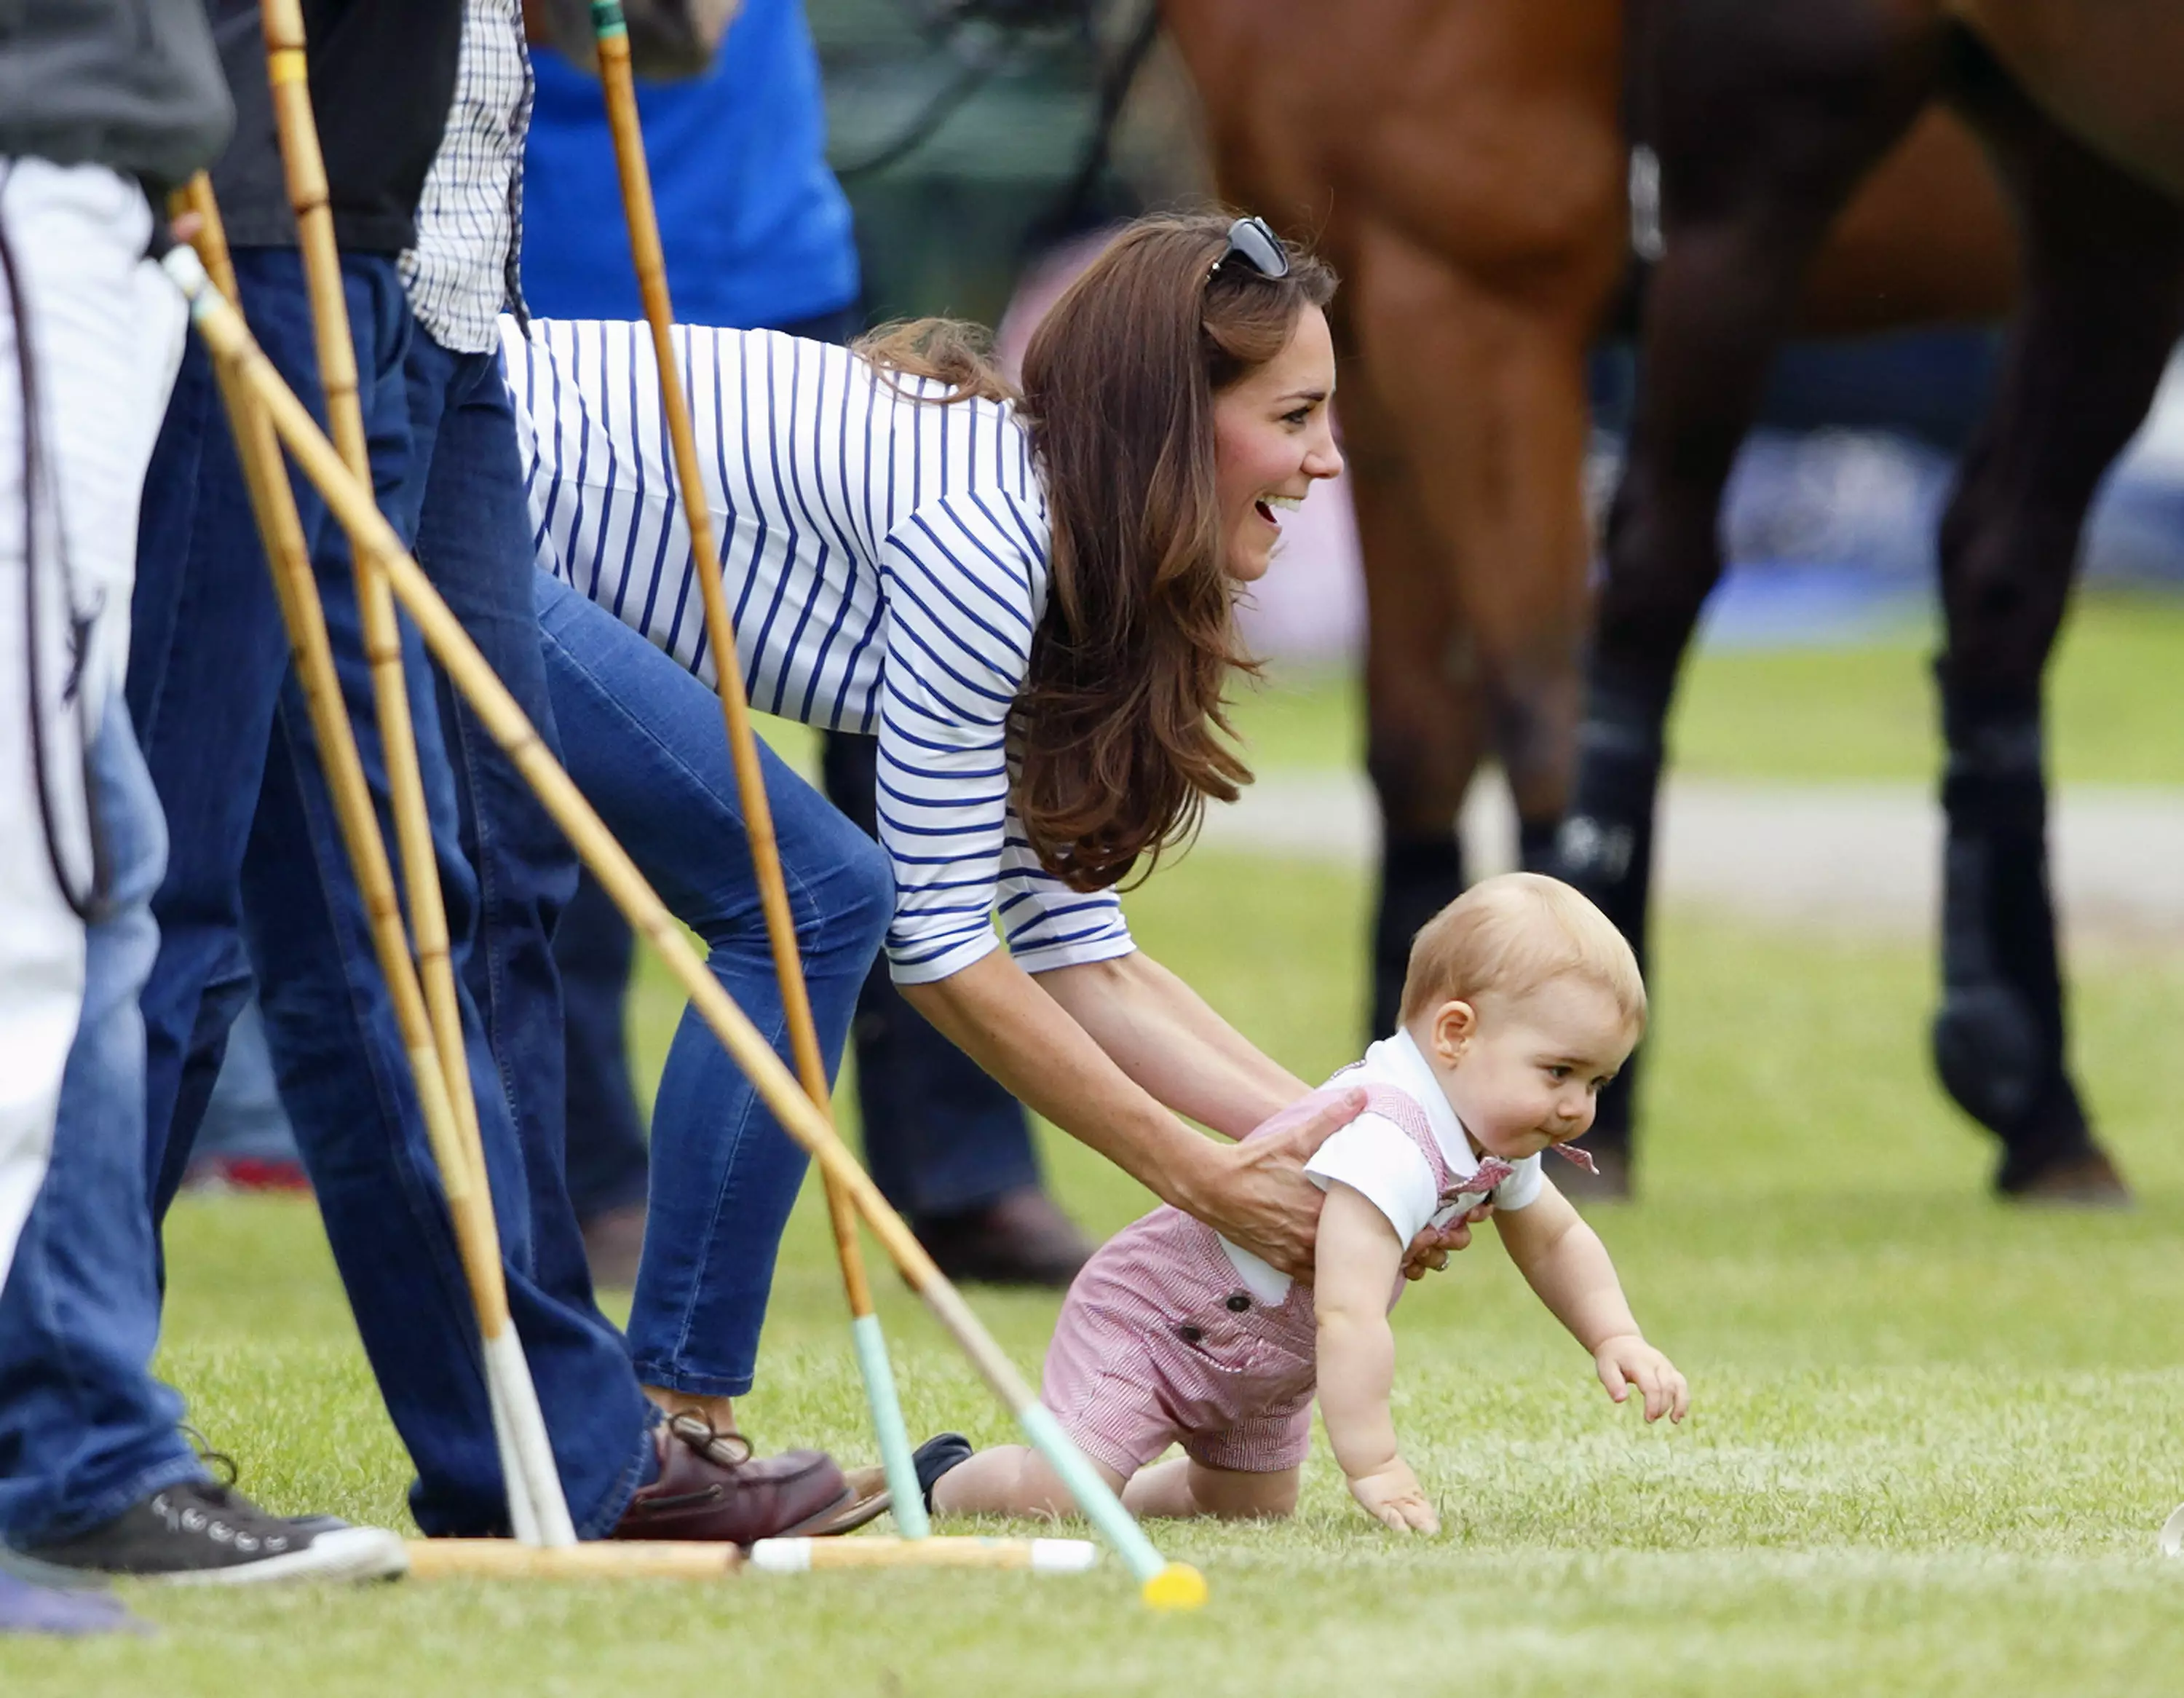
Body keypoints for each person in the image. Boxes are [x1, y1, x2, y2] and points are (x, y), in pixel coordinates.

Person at [0, 0, 860, 1574]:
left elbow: (664, 31)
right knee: (183, 881)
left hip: (428, 269)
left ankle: (540, 1440)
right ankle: (69, 1424)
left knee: (413, 888)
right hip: (260, 222)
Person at [498, 211, 1480, 1436]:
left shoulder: (1051, 534)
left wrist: (1361, 1145)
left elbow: (1087, 956)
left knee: (825, 893)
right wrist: (1201, 1177)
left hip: (463, 493)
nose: (1327, 461)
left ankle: (669, 1418)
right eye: (1293, 418)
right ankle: (679, 1421)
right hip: (451, 497)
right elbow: (944, 950)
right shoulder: (988, 540)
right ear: (1170, 428)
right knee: (824, 897)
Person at [519, 0, 1090, 1290]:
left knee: (921, 714)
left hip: (770, 251)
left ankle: (961, 1169)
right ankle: (595, 1172)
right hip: (553, 295)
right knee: (575, 736)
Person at [0, 0, 407, 1617]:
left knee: (93, 864)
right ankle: (77, 1455)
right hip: (44, 194)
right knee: (54, 875)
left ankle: (79, 1447)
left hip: (108, 210)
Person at [917, 874, 1690, 1530]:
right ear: (1456, 1033)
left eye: (1597, 1082)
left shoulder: (1491, 1131)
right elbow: (1349, 1313)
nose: (1577, 1108)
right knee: (1063, 1496)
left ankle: (1127, 1486)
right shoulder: (1387, 1135)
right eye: (1559, 1071)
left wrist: (1614, 1334)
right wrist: (1375, 1461)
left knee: (1243, 1507)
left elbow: (1556, 1240)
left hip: (1267, 1364)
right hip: (1161, 1321)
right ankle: (945, 1480)